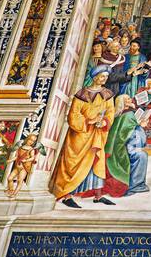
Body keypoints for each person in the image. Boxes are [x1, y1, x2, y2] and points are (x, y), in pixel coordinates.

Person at [50, 70, 116, 208]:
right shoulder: (81, 94)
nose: (104, 79)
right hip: (80, 136)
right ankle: (68, 195)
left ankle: (98, 196)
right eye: (102, 76)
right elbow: (73, 115)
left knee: (96, 162)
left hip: (97, 135)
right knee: (74, 165)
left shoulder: (107, 94)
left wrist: (103, 122)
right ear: (95, 77)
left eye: (106, 77)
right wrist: (89, 121)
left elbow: (110, 112)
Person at [101, 95, 151, 198]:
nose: (130, 100)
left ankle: (136, 183)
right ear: (123, 103)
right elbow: (133, 138)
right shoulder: (128, 115)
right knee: (141, 155)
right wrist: (140, 127)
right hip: (121, 149)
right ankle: (135, 185)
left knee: (141, 154)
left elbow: (124, 133)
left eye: (129, 98)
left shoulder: (119, 114)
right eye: (127, 99)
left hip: (115, 147)